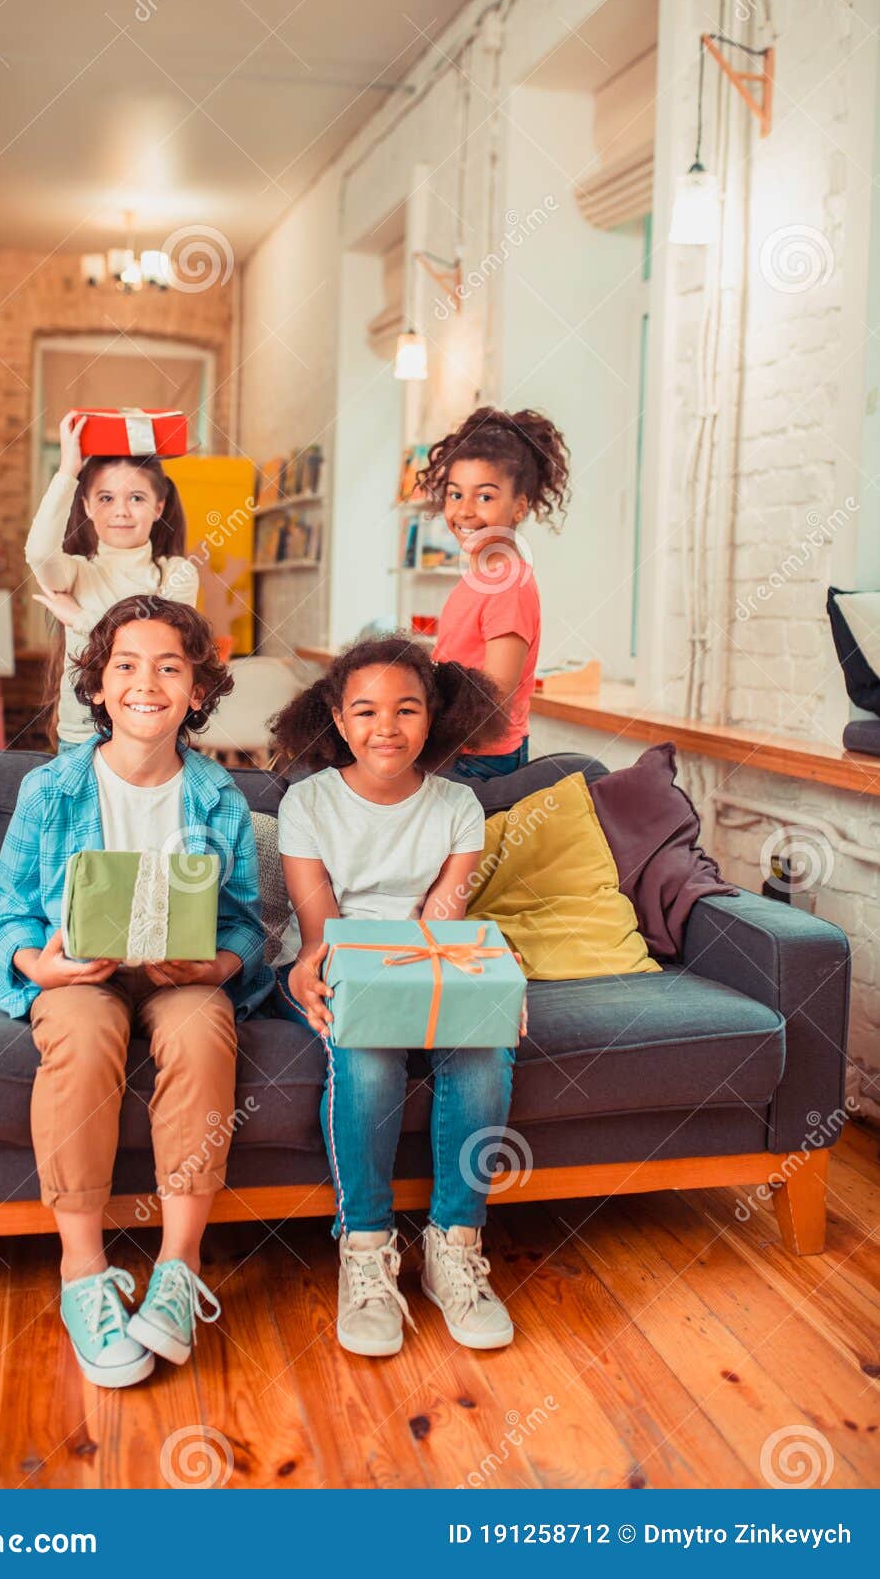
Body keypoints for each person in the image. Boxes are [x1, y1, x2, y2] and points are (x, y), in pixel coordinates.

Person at [0, 595, 270, 1388]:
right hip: (83, 978)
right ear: (99, 687)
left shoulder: (219, 796)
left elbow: (247, 924)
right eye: (126, 666)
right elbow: (6, 915)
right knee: (81, 1034)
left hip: (179, 977)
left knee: (204, 1027)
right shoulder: (51, 789)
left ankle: (177, 1272)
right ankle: (83, 1275)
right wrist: (39, 966)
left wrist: (217, 966)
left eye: (170, 668)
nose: (148, 683)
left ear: (198, 691)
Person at [267, 636, 526, 1359]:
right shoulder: (306, 802)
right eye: (366, 710)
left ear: (432, 716)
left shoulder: (458, 807)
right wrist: (366, 982)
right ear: (338, 718)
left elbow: (441, 927)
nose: (387, 726)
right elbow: (323, 937)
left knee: (483, 1048)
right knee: (370, 1050)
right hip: (329, 966)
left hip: (422, 960)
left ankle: (454, 1246)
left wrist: (492, 993)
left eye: (406, 709)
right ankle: (366, 1249)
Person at [27, 410, 199, 747]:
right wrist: (67, 471)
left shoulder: (177, 573)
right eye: (106, 498)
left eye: (137, 498)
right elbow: (38, 554)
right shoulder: (77, 571)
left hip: (153, 739)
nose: (121, 511)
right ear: (88, 506)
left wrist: (80, 618)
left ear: (159, 507)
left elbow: (153, 650)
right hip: (80, 737)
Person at [417, 406, 570, 781]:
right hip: (459, 748)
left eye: (484, 497)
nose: (464, 511)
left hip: (481, 760)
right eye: (455, 495)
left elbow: (493, 701)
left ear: (519, 507)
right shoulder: (478, 577)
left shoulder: (508, 586)